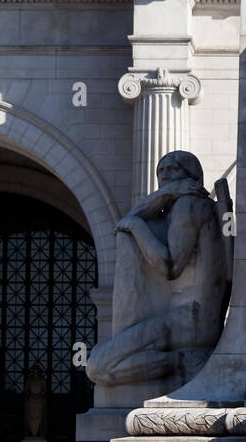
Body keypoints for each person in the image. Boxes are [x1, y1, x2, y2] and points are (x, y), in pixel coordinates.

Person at [87, 151, 229, 389]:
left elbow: (170, 266)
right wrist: (163, 195)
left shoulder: (188, 205)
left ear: (190, 176)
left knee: (98, 365)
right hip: (190, 321)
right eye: (160, 171)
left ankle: (187, 362)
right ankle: (183, 361)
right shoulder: (187, 206)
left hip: (190, 323)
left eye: (172, 169)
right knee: (99, 362)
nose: (164, 176)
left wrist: (136, 226)